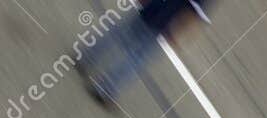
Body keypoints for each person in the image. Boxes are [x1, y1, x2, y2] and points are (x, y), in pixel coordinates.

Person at [78, 0, 214, 108]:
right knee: (137, 58)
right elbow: (193, 12)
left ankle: (86, 57)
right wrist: (176, 35)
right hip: (164, 20)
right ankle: (105, 89)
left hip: (152, 6)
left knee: (119, 33)